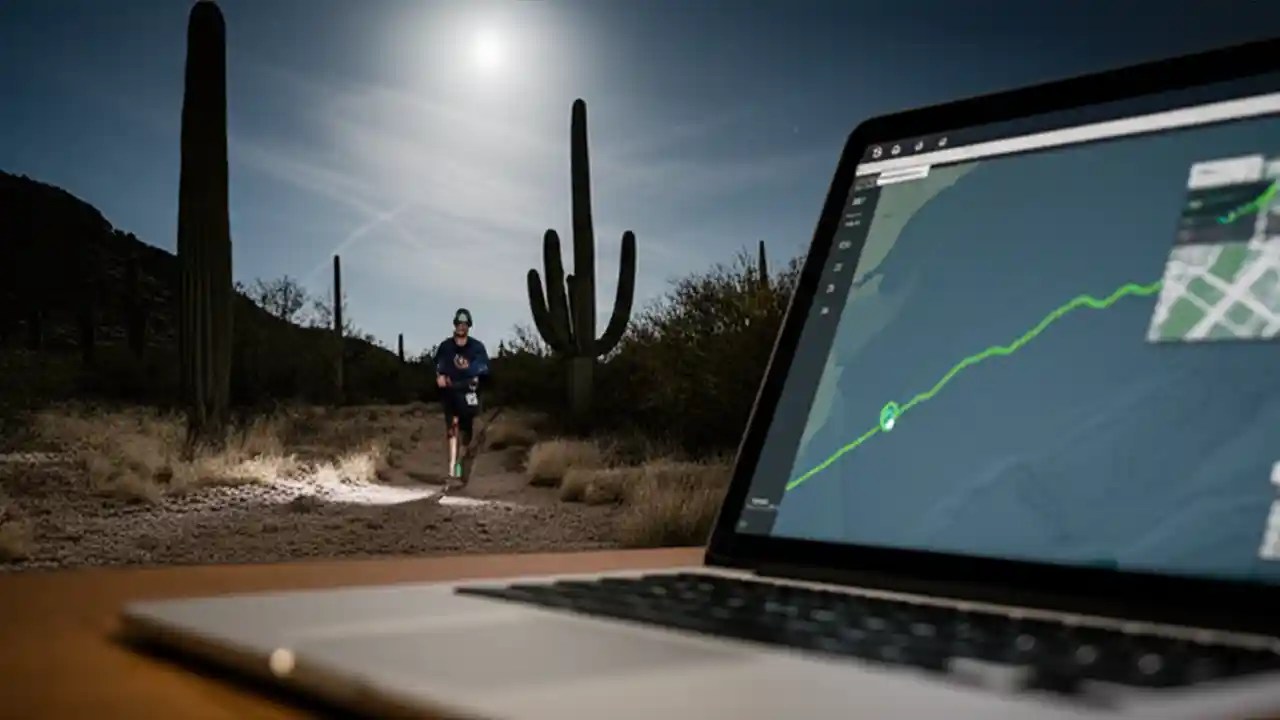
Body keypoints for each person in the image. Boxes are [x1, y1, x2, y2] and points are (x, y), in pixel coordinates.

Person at [433, 307, 490, 481]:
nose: (461, 327)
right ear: (455, 325)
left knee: (466, 429)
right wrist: (439, 378)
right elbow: (438, 367)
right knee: (452, 426)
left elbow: (484, 368)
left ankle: (462, 459)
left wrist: (477, 376)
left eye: (464, 324)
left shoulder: (477, 348)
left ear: (469, 326)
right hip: (450, 391)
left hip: (468, 391)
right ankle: (452, 467)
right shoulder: (445, 347)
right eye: (459, 324)